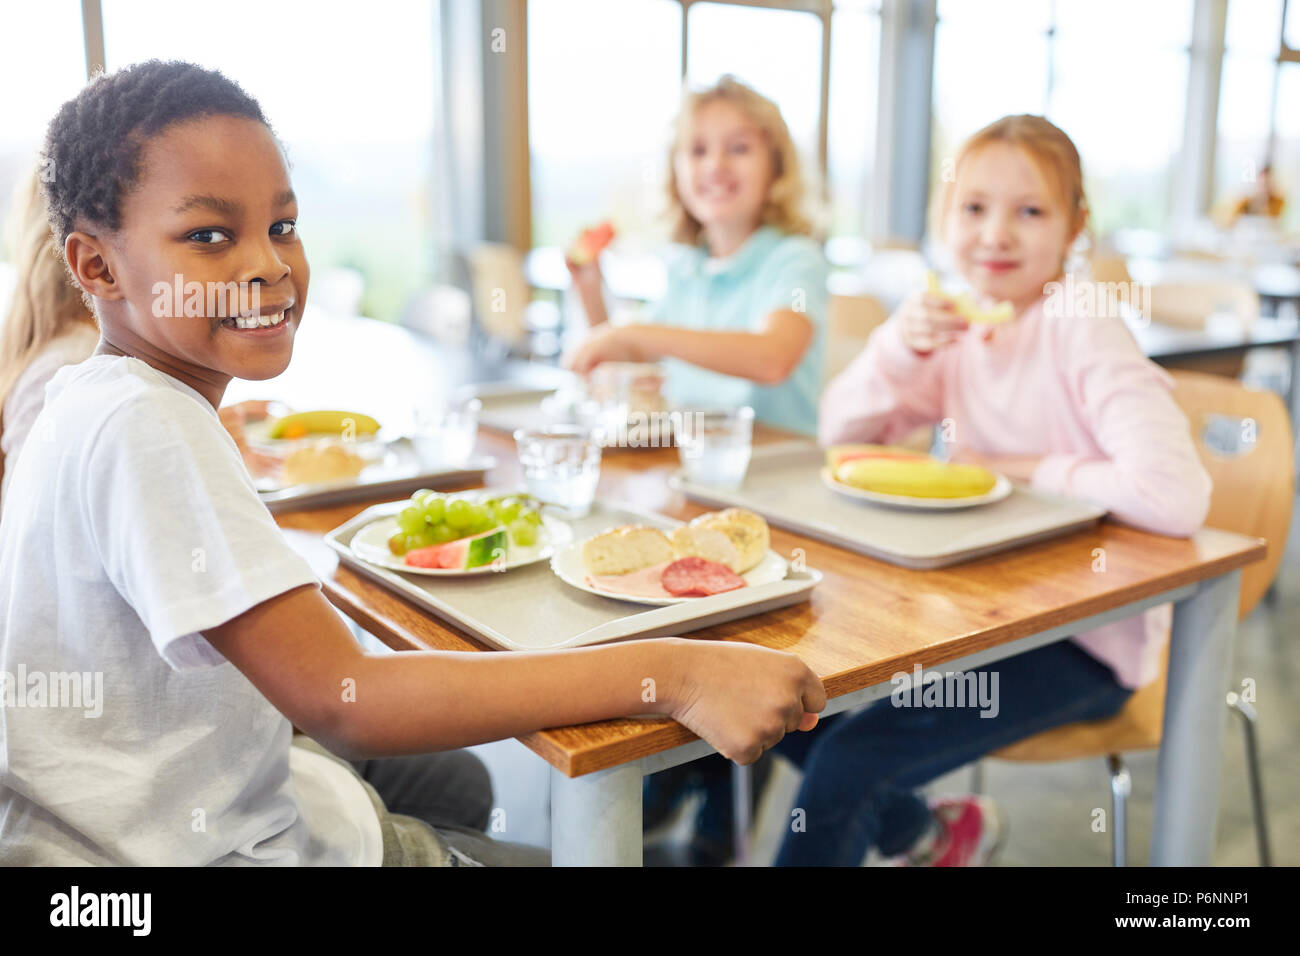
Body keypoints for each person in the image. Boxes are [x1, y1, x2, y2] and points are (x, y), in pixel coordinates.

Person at [0, 60, 824, 867]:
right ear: (95, 266)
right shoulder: (147, 422)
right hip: (174, 847)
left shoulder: (101, 397)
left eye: (282, 226)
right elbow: (346, 697)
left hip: (114, 820)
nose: (269, 265)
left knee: (458, 788)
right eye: (209, 236)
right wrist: (673, 671)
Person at [775, 114, 1212, 866]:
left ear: (1076, 226)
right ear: (944, 220)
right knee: (789, 718)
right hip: (983, 614)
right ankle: (932, 836)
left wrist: (1024, 466)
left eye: (1030, 211)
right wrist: (896, 347)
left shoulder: (1081, 325)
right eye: (973, 208)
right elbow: (842, 435)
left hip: (1087, 640)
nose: (996, 235)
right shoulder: (962, 328)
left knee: (849, 761)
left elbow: (1175, 493)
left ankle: (927, 833)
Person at [564, 76, 827, 436]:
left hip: (776, 471)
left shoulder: (795, 260)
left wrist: (633, 332)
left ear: (776, 167)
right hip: (692, 465)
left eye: (739, 148)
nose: (715, 165)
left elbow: (773, 359)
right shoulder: (687, 267)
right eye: (698, 151)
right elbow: (629, 359)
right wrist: (592, 294)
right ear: (677, 171)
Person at [0, 167, 278, 504]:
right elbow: (37, 523)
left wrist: (201, 424)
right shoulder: (68, 364)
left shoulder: (93, 357)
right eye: (202, 237)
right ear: (98, 264)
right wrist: (192, 443)